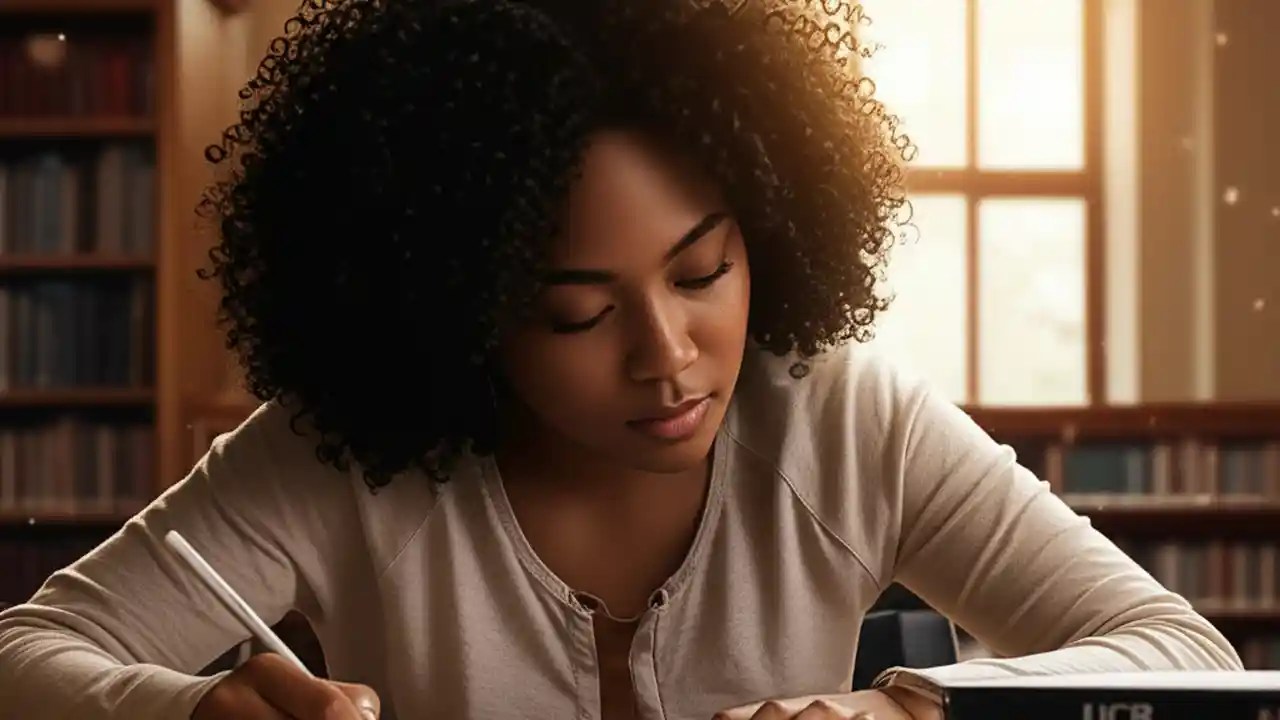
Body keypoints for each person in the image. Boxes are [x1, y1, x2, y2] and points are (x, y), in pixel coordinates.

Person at [0, 0, 1243, 718]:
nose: (669, 356)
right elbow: (24, 656)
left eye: (703, 274)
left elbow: (1180, 652)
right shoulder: (338, 452)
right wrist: (190, 708)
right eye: (574, 313)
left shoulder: (848, 420)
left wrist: (900, 712)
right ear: (454, 310)